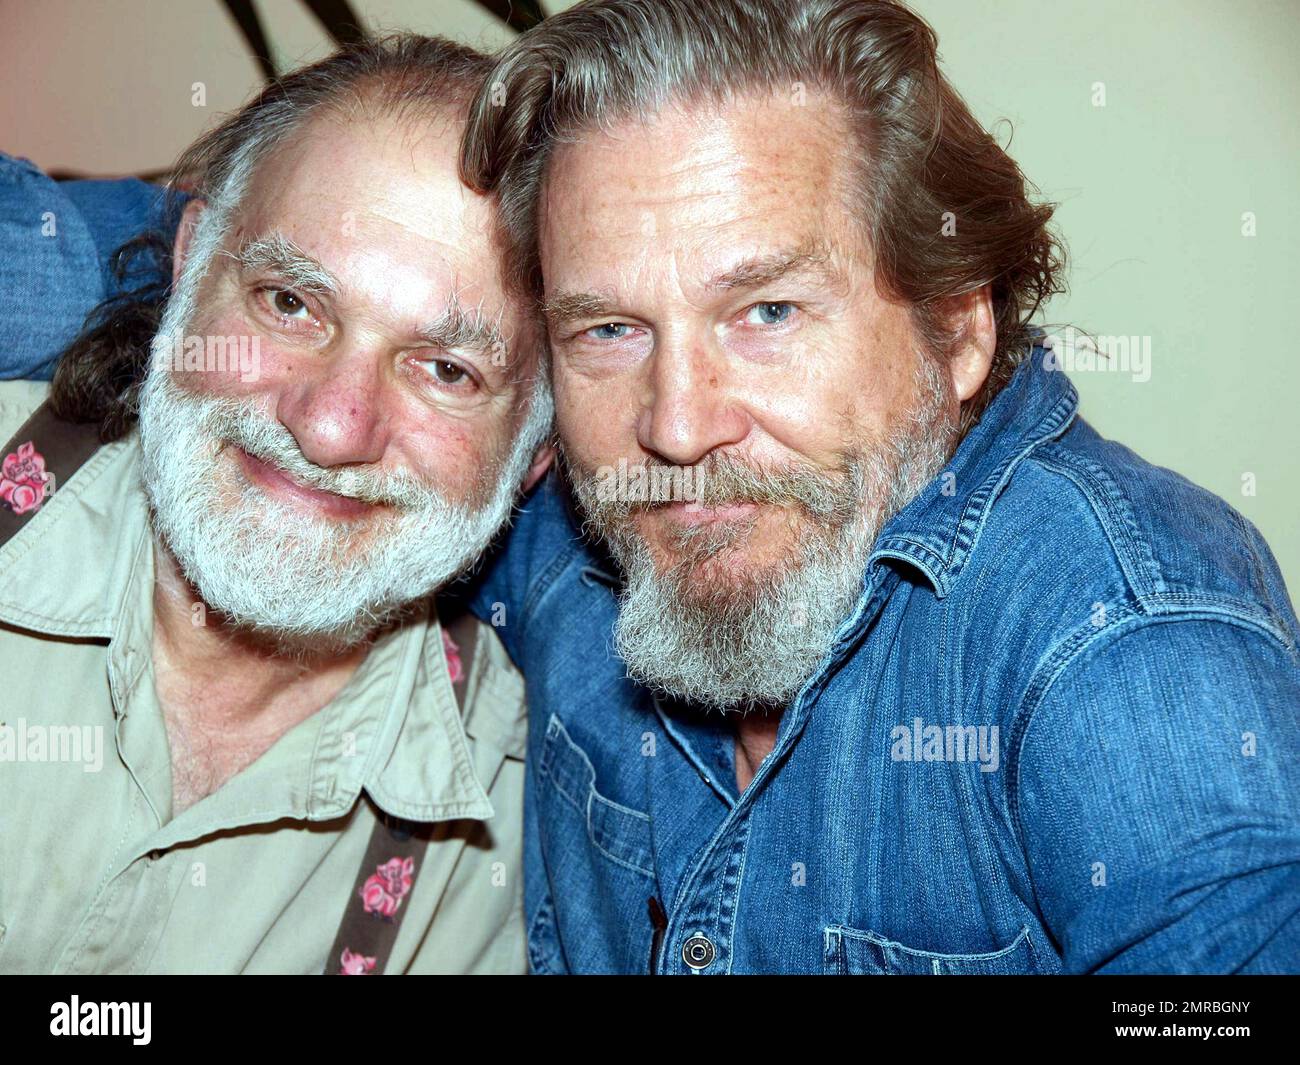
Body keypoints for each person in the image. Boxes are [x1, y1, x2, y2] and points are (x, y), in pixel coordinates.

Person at [0, 35, 551, 974]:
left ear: (533, 459)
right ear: (189, 267)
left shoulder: (501, 827)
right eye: (291, 302)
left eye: (447, 369)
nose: (332, 426)